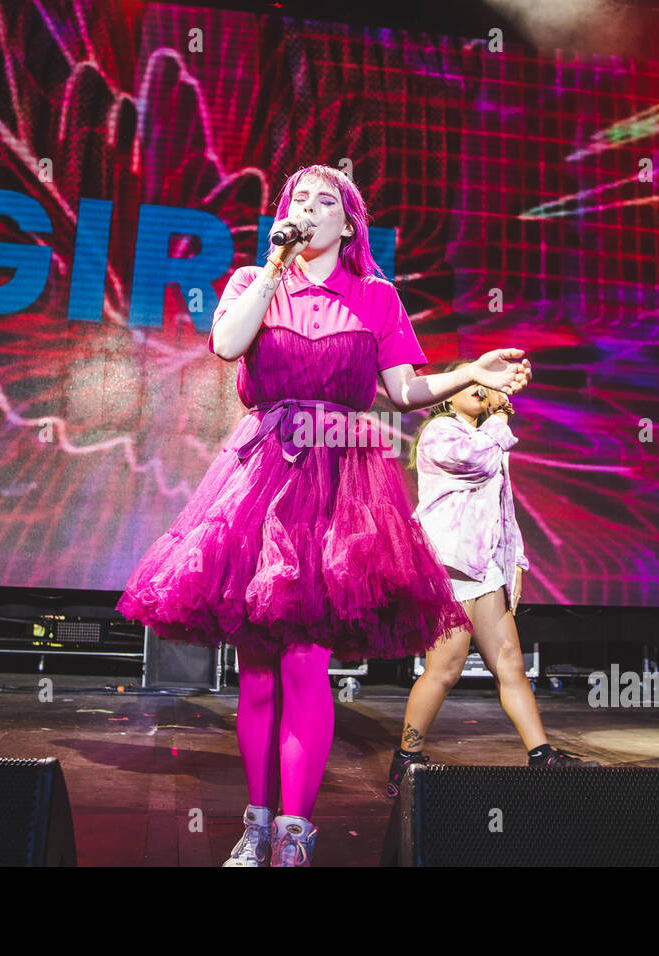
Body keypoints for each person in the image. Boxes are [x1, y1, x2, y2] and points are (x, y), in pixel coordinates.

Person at [116, 165, 532, 866]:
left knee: (307, 663)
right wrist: (275, 265)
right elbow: (225, 346)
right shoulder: (255, 280)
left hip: (340, 481)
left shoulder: (375, 295)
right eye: (297, 201)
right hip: (261, 482)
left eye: (324, 201)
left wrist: (468, 374)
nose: (309, 209)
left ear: (349, 224)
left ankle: (294, 832)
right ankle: (254, 824)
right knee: (255, 669)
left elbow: (403, 389)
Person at [387, 364, 595, 798]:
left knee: (510, 664)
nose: (481, 390)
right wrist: (499, 419)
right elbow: (476, 464)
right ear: (448, 394)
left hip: (486, 569)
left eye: (486, 385)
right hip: (451, 565)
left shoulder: (490, 437)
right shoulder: (442, 432)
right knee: (445, 669)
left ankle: (542, 755)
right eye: (471, 383)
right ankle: (406, 758)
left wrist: (515, 561)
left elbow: (503, 505)